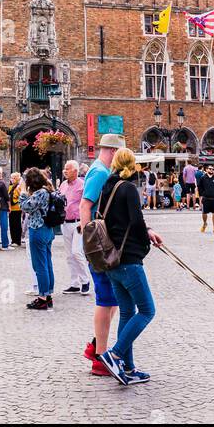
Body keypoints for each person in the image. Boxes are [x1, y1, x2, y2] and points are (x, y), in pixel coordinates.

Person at [96, 149, 163, 386]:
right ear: (133, 165)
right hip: (129, 260)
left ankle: (129, 367)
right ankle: (114, 355)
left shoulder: (107, 188)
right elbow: (136, 221)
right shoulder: (128, 189)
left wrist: (147, 232)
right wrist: (146, 243)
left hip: (111, 259)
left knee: (127, 312)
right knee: (147, 311)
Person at [79, 134, 125, 376]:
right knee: (106, 299)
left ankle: (97, 344)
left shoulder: (99, 169)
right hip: (98, 245)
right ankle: (100, 357)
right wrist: (89, 239)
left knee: (112, 298)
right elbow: (85, 205)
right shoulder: (100, 172)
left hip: (101, 243)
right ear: (113, 152)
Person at [20, 167, 55, 310]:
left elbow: (26, 207)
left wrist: (22, 191)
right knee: (47, 263)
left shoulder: (40, 193)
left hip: (38, 229)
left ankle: (42, 297)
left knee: (39, 265)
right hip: (47, 229)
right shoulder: (48, 190)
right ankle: (48, 294)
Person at [59, 159, 91, 295]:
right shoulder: (63, 185)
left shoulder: (83, 185)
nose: (65, 171)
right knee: (69, 255)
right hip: (65, 222)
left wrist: (84, 223)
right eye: (64, 168)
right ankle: (74, 283)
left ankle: (85, 280)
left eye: (67, 168)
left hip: (78, 223)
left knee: (77, 252)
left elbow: (88, 205)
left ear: (76, 171)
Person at [198, 164, 214, 234]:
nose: (211, 170)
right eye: (210, 169)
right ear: (206, 170)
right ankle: (205, 223)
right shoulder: (203, 178)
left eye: (212, 169)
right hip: (206, 198)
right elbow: (199, 187)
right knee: (204, 213)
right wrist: (202, 194)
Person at [8, 171, 23, 246]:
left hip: (17, 208)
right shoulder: (10, 187)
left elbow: (22, 195)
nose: (12, 179)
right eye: (11, 178)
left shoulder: (19, 186)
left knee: (17, 224)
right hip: (11, 208)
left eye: (14, 178)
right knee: (11, 224)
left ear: (17, 179)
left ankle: (17, 241)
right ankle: (13, 240)